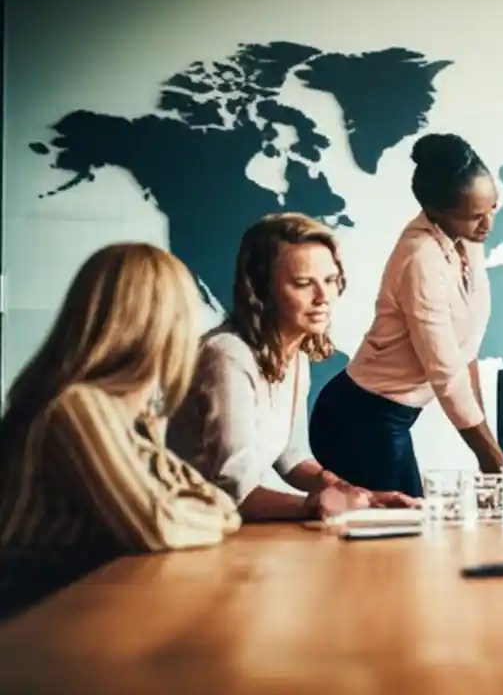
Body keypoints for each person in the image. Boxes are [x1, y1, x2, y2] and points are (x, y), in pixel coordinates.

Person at [309, 134, 503, 508]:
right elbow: (446, 373)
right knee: (403, 537)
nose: (488, 223)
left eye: (492, 207)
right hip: (358, 420)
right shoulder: (420, 258)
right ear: (434, 211)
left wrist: (492, 467)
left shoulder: (466, 239)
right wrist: (498, 470)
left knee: (408, 535)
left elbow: (464, 350)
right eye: (475, 215)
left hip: (388, 420)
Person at [0, 243, 240, 617]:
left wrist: (201, 511)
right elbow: (157, 526)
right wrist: (205, 516)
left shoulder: (135, 419)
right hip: (35, 617)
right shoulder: (78, 406)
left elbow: (224, 507)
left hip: (77, 602)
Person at [169, 214, 420, 520]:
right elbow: (236, 491)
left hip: (216, 527)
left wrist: (363, 497)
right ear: (261, 291)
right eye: (303, 284)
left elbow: (291, 456)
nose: (322, 297)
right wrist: (316, 506)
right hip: (181, 528)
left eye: (329, 281)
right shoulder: (226, 355)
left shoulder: (296, 355)